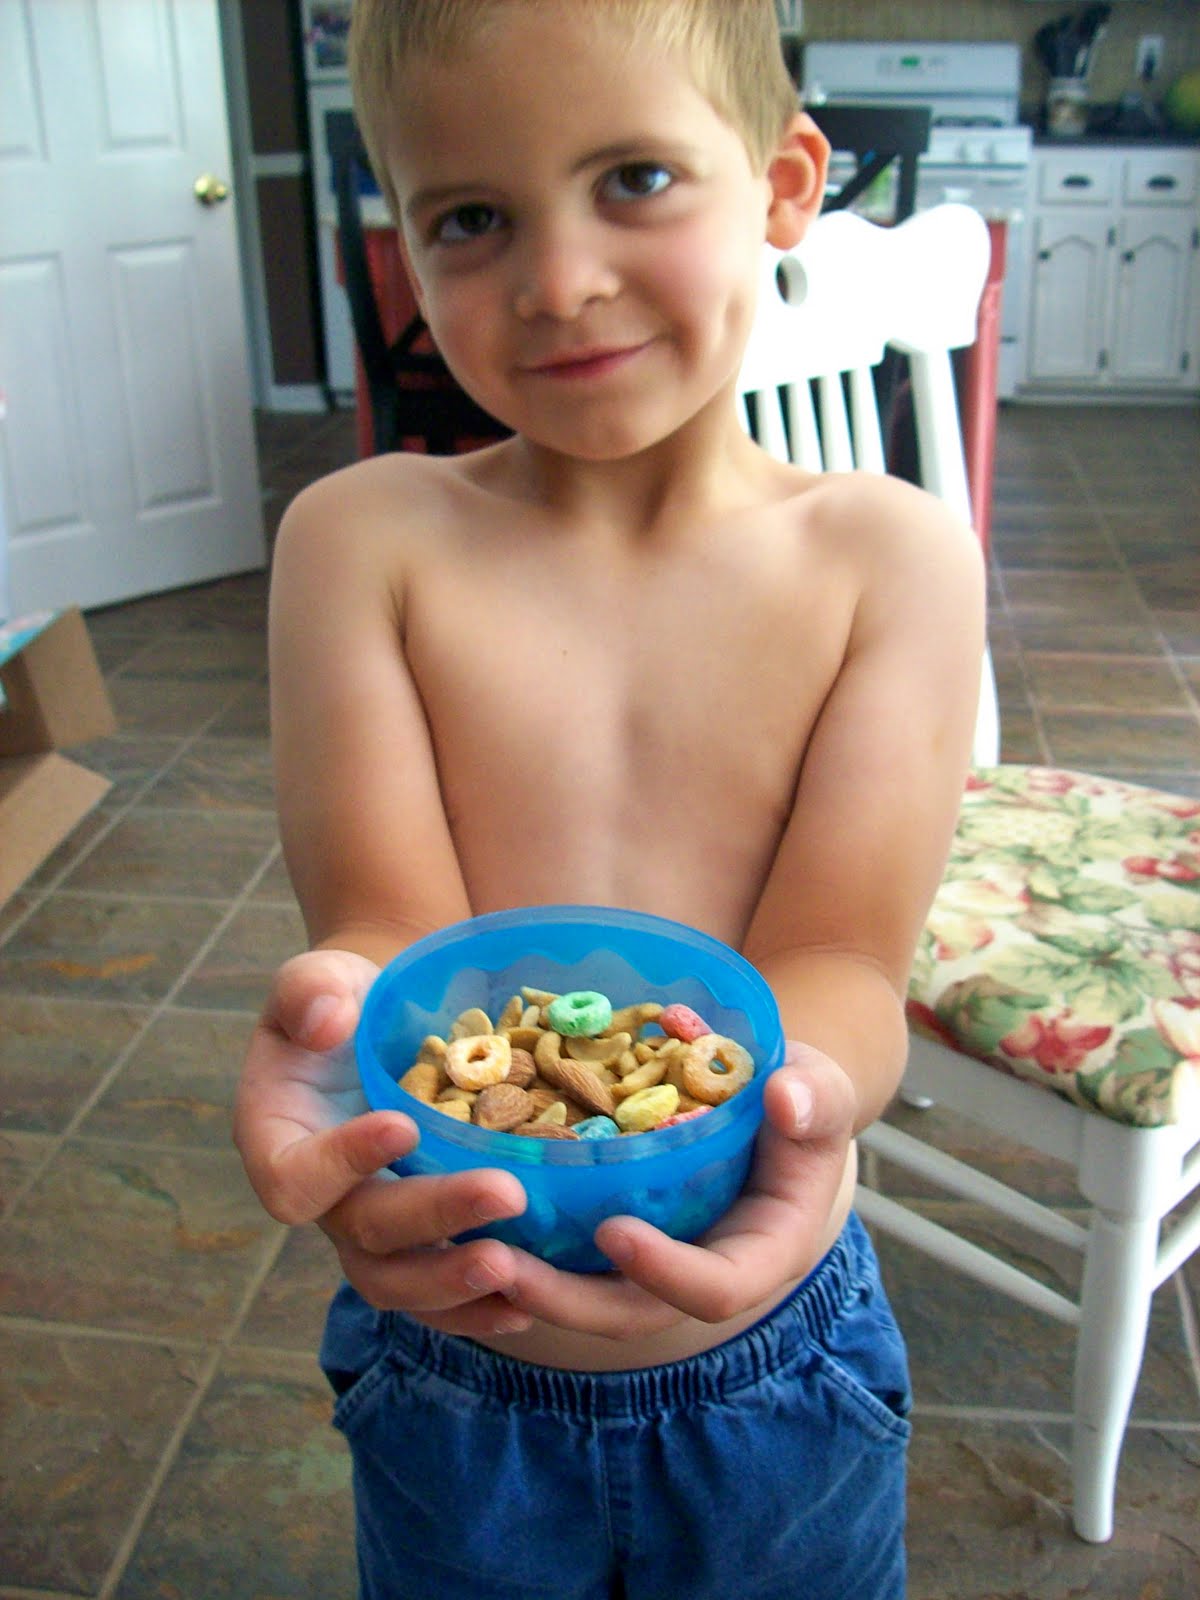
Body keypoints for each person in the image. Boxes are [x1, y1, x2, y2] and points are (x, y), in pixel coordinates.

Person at [233, 2, 985, 1596]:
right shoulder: (361, 546)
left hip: (772, 1355)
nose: (559, 281)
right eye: (474, 217)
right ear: (406, 244)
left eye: (635, 176)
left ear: (783, 183)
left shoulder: (888, 561)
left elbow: (844, 965)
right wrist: (336, 1019)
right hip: (452, 1344)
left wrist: (798, 1120)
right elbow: (391, 938)